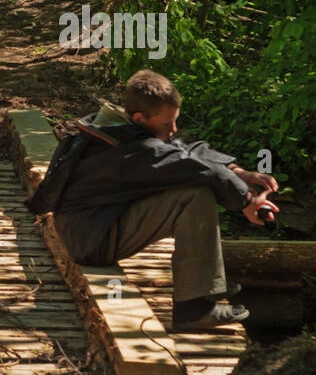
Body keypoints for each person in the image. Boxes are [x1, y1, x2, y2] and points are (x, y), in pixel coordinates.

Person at [32, 69, 279, 332]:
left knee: (193, 181)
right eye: (166, 124)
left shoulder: (120, 126)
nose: (173, 129)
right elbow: (195, 167)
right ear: (140, 118)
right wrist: (247, 201)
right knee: (195, 196)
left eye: (175, 121)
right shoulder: (135, 149)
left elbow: (183, 149)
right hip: (92, 240)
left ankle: (204, 282)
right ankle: (193, 309)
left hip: (91, 226)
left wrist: (239, 172)